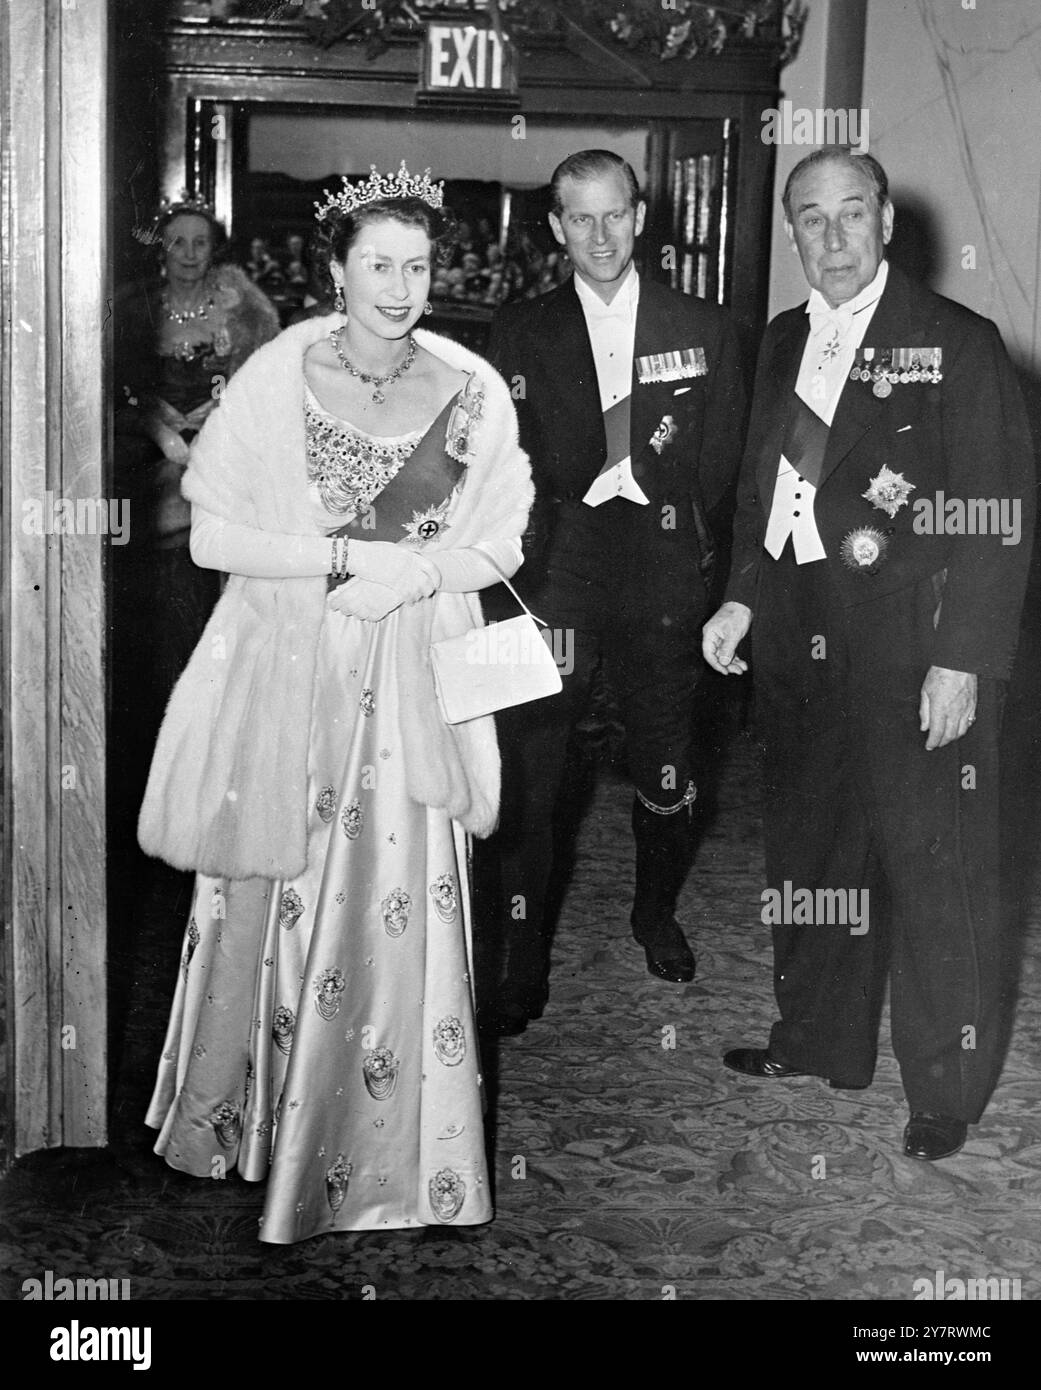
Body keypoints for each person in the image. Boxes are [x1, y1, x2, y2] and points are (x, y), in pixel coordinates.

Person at [137, 162, 533, 1241]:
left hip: (410, 679)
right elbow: (212, 532)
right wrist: (335, 554)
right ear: (335, 270)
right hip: (295, 672)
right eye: (378, 265)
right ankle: (259, 1128)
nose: (401, 287)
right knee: (287, 888)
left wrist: (420, 573)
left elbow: (503, 537)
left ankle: (392, 1154)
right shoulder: (275, 376)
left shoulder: (469, 387)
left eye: (417, 265)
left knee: (397, 896)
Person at [702, 147, 1035, 1160]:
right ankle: (818, 1037)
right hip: (799, 630)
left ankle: (944, 1086)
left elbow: (999, 516)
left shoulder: (956, 343)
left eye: (854, 214)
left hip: (912, 637)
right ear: (794, 231)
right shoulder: (780, 340)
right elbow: (767, 493)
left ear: (888, 221)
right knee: (812, 850)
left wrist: (964, 660)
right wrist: (741, 604)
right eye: (813, 218)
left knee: (933, 866)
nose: (834, 238)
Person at [480, 149, 746, 1035]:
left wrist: (678, 537)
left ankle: (653, 912)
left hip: (661, 568)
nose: (599, 236)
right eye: (578, 219)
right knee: (535, 768)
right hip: (556, 568)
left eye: (614, 215)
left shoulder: (704, 326)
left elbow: (720, 467)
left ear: (642, 216)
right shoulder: (517, 330)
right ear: (555, 227)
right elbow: (495, 460)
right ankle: (522, 957)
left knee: (669, 764)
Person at [113, 196, 280, 724]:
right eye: (178, 242)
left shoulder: (242, 306)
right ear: (161, 248)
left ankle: (214, 702)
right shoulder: (134, 304)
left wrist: (221, 410)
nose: (188, 253)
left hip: (221, 450)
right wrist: (157, 425)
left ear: (215, 249)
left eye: (200, 242)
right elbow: (110, 389)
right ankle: (158, 697)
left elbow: (267, 382)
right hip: (147, 449)